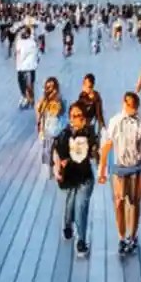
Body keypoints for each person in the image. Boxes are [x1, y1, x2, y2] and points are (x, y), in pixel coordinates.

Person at [97, 92, 141, 256]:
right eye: (130, 106)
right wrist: (101, 169)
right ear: (124, 104)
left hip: (136, 168)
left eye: (135, 107)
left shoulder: (140, 123)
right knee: (119, 202)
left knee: (135, 202)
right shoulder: (115, 122)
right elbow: (107, 145)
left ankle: (133, 235)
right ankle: (122, 236)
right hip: (120, 167)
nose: (133, 110)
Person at [53, 102, 100, 258]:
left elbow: (94, 151)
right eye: (73, 116)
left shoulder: (89, 134)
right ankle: (67, 223)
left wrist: (98, 156)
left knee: (81, 207)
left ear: (85, 118)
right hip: (70, 176)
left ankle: (81, 240)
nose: (76, 119)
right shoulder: (65, 134)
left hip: (85, 177)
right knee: (70, 203)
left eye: (79, 116)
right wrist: (58, 169)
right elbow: (57, 152)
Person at [36, 77, 66, 166]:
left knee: (60, 156)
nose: (51, 90)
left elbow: (59, 112)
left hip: (59, 131)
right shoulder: (43, 102)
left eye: (53, 87)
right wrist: (40, 130)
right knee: (47, 158)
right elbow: (40, 117)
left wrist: (55, 101)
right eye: (48, 88)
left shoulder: (60, 101)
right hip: (47, 131)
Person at [14, 26, 40, 109]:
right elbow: (38, 55)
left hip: (22, 68)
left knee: (23, 84)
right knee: (31, 84)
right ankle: (31, 100)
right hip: (31, 67)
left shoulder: (20, 42)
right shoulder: (33, 42)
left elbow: (18, 54)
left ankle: (26, 98)